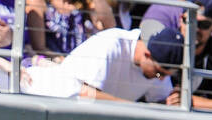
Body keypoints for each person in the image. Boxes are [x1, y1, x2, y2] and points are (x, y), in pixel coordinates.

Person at [19, 27, 172, 102]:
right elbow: (86, 94)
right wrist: (133, 109)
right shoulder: (111, 43)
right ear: (147, 54)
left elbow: (162, 100)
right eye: (159, 73)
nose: (160, 79)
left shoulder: (157, 66)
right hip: (36, 96)